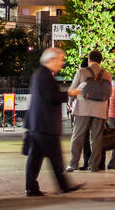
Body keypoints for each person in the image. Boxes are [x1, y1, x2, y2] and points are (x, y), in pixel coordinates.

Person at [24, 47, 81, 197]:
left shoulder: (40, 74)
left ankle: (31, 187)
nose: (61, 63)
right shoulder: (45, 76)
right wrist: (69, 93)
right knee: (55, 158)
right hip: (45, 124)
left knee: (35, 158)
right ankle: (63, 186)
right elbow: (51, 96)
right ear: (52, 59)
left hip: (38, 124)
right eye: (60, 60)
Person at [67, 51, 112, 172]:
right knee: (97, 139)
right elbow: (109, 94)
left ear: (89, 59)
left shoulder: (82, 71)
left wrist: (70, 102)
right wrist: (106, 113)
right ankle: (94, 165)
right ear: (100, 60)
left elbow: (73, 89)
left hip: (83, 108)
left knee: (78, 136)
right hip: (100, 109)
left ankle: (73, 163)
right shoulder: (107, 74)